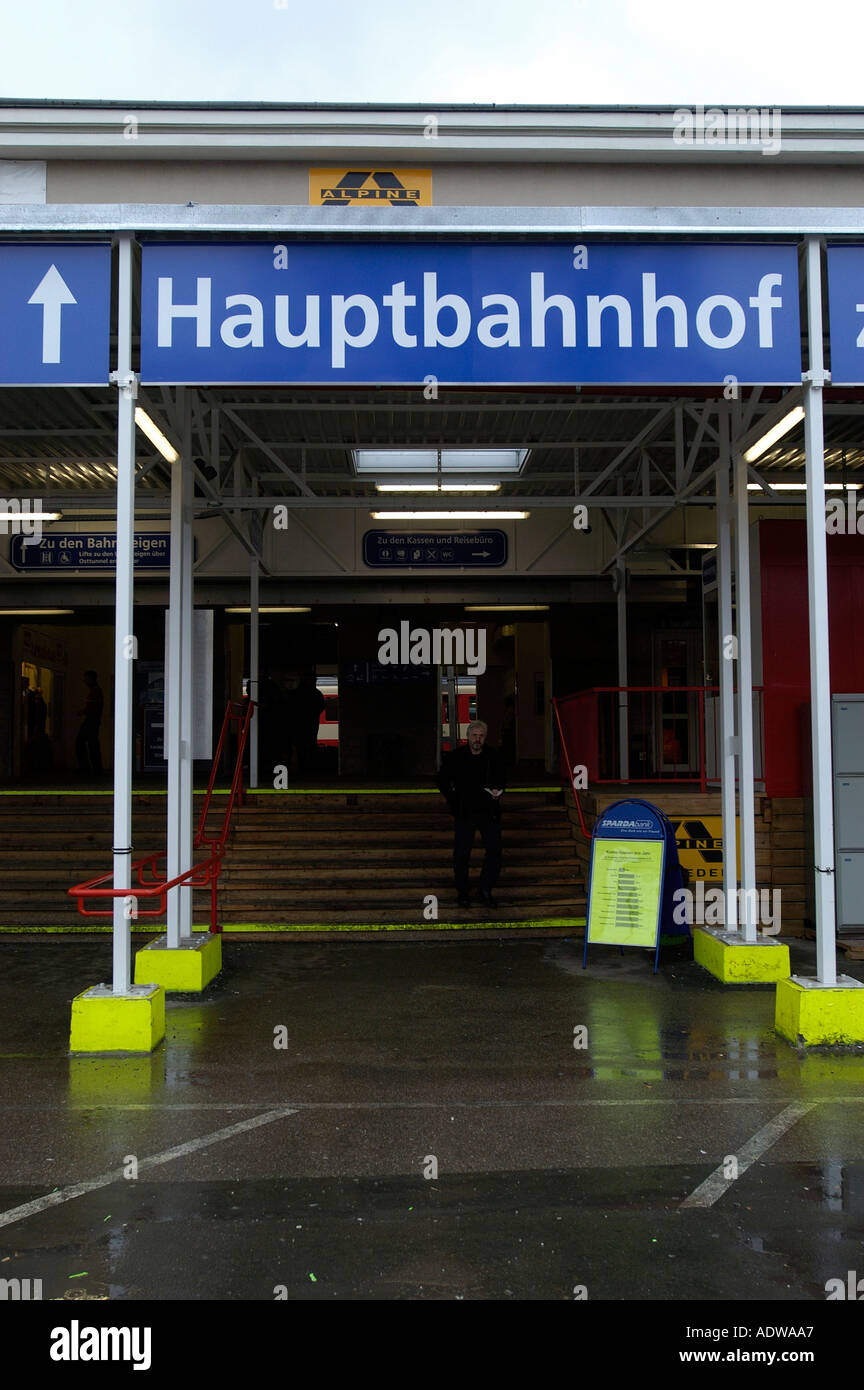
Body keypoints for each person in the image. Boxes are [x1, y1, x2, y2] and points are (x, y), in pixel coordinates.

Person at [436, 719, 505, 908]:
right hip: (465, 811)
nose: (478, 739)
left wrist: (499, 791)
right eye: (474, 735)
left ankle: (485, 890)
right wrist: (453, 799)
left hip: (488, 811)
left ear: (485, 738)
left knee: (494, 851)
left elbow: (502, 778)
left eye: (481, 736)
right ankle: (463, 892)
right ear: (468, 737)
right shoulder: (456, 757)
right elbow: (441, 780)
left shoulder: (493, 756)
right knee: (461, 854)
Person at [289, 671, 325, 776]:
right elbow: (321, 707)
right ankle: (310, 768)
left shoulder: (295, 694)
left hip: (298, 725)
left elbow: (291, 709)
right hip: (311, 724)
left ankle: (301, 768)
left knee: (300, 746)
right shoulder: (316, 694)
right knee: (310, 745)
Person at [76, 669, 104, 774]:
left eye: (86, 678)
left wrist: (82, 712)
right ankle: (96, 768)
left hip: (91, 721)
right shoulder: (96, 691)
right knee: (93, 744)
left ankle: (85, 767)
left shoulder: (95, 691)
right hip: (94, 721)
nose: (84, 680)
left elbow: (92, 708)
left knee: (80, 742)